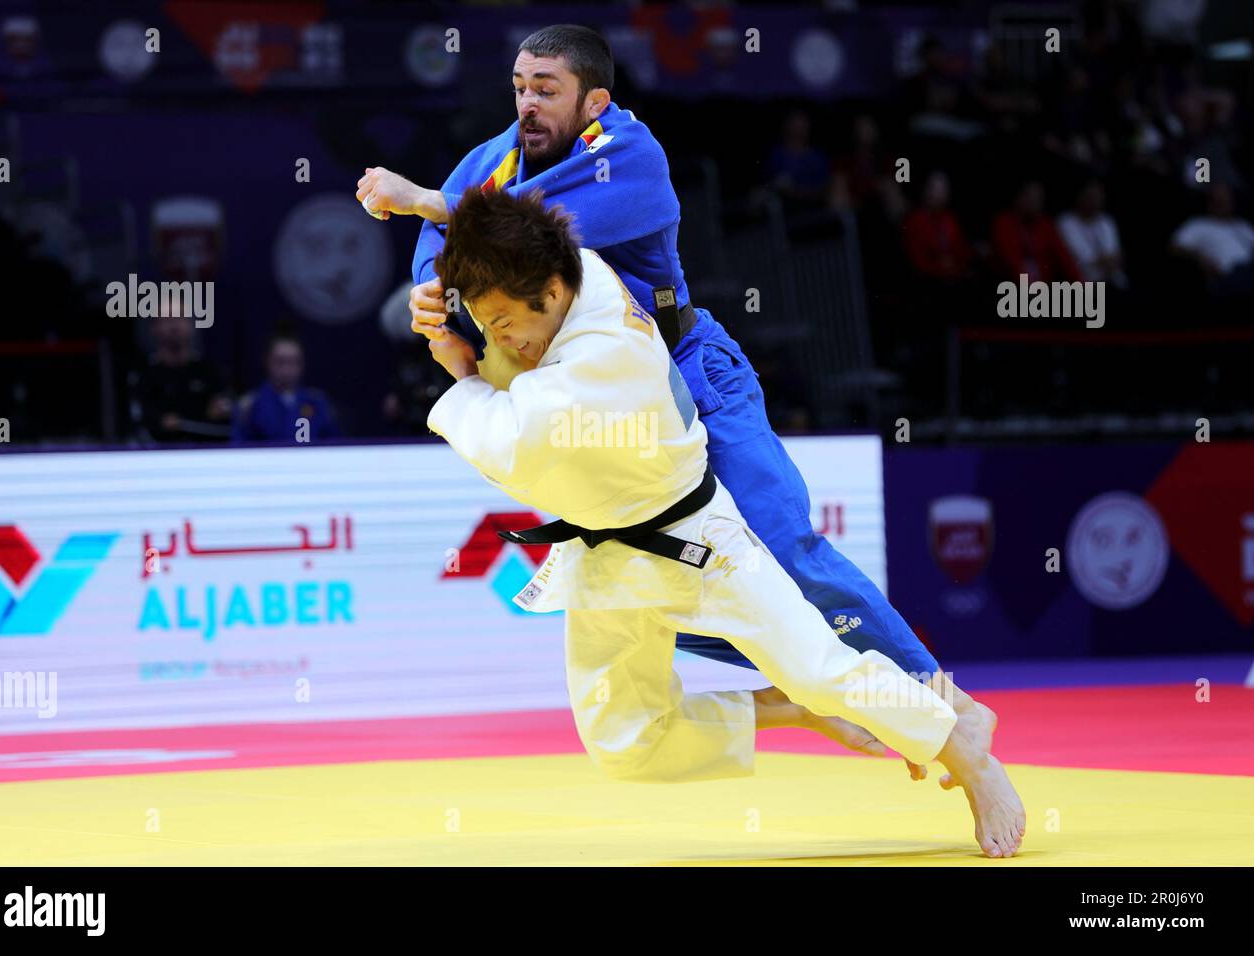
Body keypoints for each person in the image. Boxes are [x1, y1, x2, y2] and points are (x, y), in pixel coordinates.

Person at [357, 23, 996, 782]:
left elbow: (535, 238)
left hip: (693, 375)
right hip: (618, 415)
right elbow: (452, 248)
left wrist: (423, 199)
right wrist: (434, 291)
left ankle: (941, 698)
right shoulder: (490, 164)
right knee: (658, 586)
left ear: (594, 99)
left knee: (786, 549)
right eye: (521, 87)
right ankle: (806, 689)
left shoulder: (630, 156)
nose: (528, 104)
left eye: (547, 91)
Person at [423, 186, 1025, 858]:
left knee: (824, 668)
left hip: (697, 540)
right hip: (606, 557)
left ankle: (970, 760)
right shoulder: (568, 267)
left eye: (504, 323)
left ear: (554, 290)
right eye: (486, 325)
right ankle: (788, 712)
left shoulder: (599, 359)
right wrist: (437, 279)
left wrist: (461, 373)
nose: (500, 340)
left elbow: (508, 450)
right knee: (624, 744)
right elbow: (501, 236)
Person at [128, 302, 232, 444]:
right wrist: (162, 422)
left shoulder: (210, 371)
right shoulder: (143, 375)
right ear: (154, 328)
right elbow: (140, 420)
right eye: (167, 320)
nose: (174, 326)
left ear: (191, 325)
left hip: (207, 453)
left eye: (180, 318)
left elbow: (223, 415)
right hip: (158, 454)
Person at [233, 328, 339, 443]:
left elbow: (334, 447)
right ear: (267, 362)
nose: (286, 370)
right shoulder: (250, 405)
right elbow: (239, 451)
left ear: (302, 364)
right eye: (280, 362)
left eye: (293, 362)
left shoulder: (317, 402)